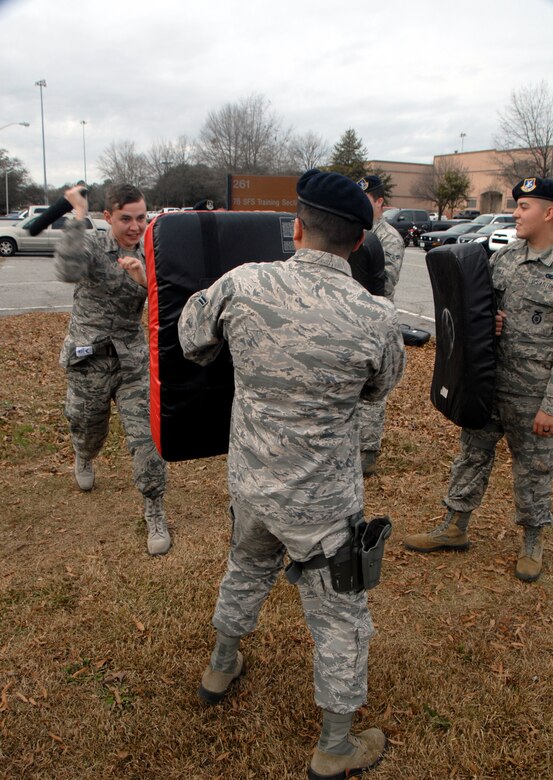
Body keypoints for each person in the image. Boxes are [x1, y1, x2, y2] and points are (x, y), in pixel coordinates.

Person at [178, 169, 405, 778]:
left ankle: (220, 667)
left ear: (297, 228)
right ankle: (335, 747)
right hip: (324, 504)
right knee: (340, 615)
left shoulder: (243, 284)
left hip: (252, 484)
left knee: (246, 567)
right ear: (359, 241)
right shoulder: (377, 317)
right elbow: (376, 390)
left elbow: (191, 341)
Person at [404, 176, 553, 582]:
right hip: (489, 382)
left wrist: (549, 406)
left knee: (534, 468)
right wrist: (492, 322)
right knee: (472, 453)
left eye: (524, 207)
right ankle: (455, 525)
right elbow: (476, 311)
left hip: (533, 393)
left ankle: (533, 541)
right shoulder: (504, 258)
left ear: (548, 213)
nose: (515, 213)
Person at [55, 184, 171, 556]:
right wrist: (77, 216)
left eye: (141, 218)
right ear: (108, 218)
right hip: (89, 359)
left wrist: (145, 281)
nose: (135, 226)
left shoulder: (152, 251)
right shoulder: (91, 245)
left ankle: (154, 507)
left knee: (148, 436)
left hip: (131, 361)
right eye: (126, 219)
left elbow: (170, 299)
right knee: (88, 427)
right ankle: (84, 454)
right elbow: (67, 269)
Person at [356, 174, 406, 476]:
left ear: (379, 203)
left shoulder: (389, 238)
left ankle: (367, 452)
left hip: (375, 322)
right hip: (351, 319)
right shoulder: (353, 231)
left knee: (373, 392)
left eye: (366, 201)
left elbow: (385, 284)